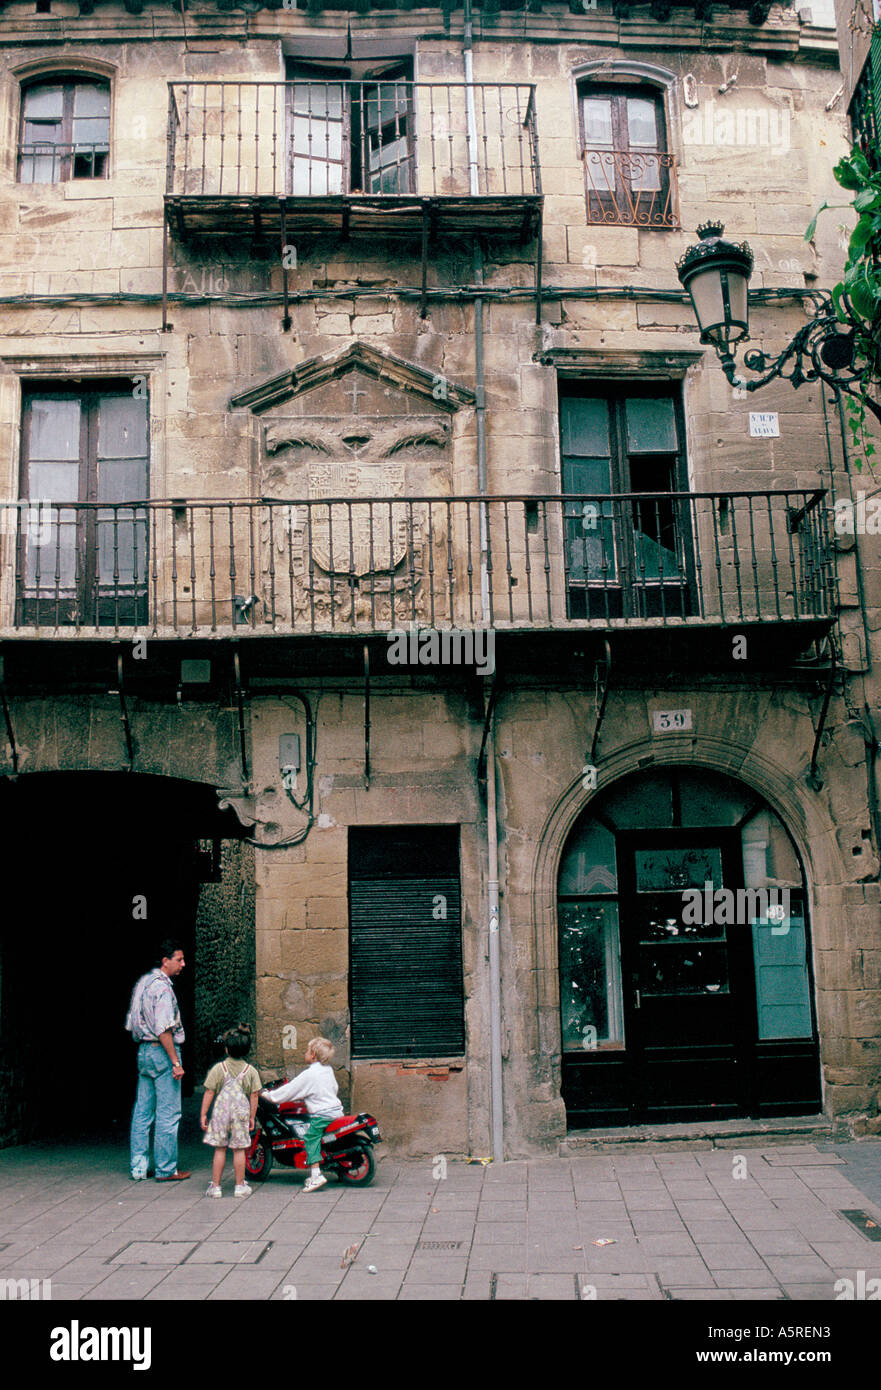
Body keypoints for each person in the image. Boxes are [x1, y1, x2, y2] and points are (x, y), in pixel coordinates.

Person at [125, 939, 191, 1182]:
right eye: (179, 960)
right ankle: (166, 1169)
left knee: (142, 1111)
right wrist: (175, 1061)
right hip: (162, 1051)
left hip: (143, 1051)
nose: (183, 964)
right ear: (165, 961)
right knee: (168, 1113)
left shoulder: (143, 983)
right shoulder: (162, 988)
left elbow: (132, 1020)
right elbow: (164, 1029)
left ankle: (138, 1168)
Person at [263, 1037, 343, 1193]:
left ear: (313, 1054)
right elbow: (333, 1088)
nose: (305, 1053)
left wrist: (268, 1095)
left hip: (322, 1115)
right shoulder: (328, 1070)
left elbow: (289, 1091)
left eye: (307, 1050)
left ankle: (315, 1175)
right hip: (336, 1111)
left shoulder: (310, 1074)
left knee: (310, 1138)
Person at [200, 1024, 262, 1198]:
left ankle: (216, 1187)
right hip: (241, 1111)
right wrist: (252, 1117)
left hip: (221, 1111)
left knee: (220, 1148)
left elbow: (209, 1091)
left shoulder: (219, 1069)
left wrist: (204, 1113)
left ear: (226, 1049)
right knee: (239, 1149)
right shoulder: (251, 1071)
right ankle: (240, 1185)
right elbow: (254, 1095)